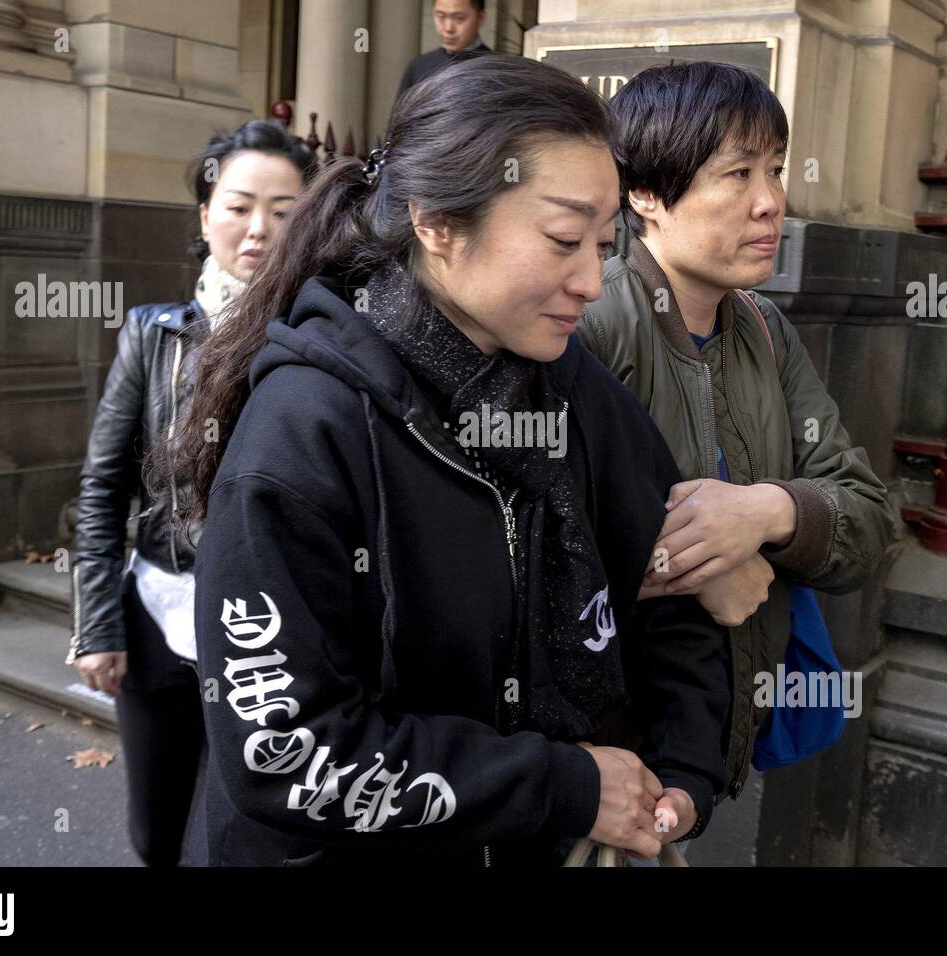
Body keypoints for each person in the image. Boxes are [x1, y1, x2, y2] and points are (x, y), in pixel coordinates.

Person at [168, 54, 731, 867]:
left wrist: (682, 772)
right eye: (564, 239)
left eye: (604, 245)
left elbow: (671, 581)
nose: (590, 280)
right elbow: (285, 754)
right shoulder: (303, 433)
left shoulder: (572, 389)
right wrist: (563, 785)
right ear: (436, 223)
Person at [576, 62, 896, 810]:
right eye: (738, 174)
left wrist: (766, 513)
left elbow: (871, 516)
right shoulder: (591, 323)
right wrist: (690, 563)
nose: (770, 202)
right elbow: (533, 549)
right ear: (648, 194)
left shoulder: (762, 328)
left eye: (777, 170)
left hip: (718, 740)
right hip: (605, 750)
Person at [67, 120, 317, 866]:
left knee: (244, 830)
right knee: (156, 830)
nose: (259, 229)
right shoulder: (153, 333)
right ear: (205, 214)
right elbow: (103, 482)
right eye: (239, 205)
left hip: (265, 630)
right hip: (159, 613)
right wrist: (97, 624)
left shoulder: (320, 338)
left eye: (284, 210)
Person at [396, 0, 491, 100]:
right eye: (441, 16)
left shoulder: (494, 68)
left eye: (459, 18)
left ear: (480, 18)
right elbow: (400, 114)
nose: (448, 28)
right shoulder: (418, 66)